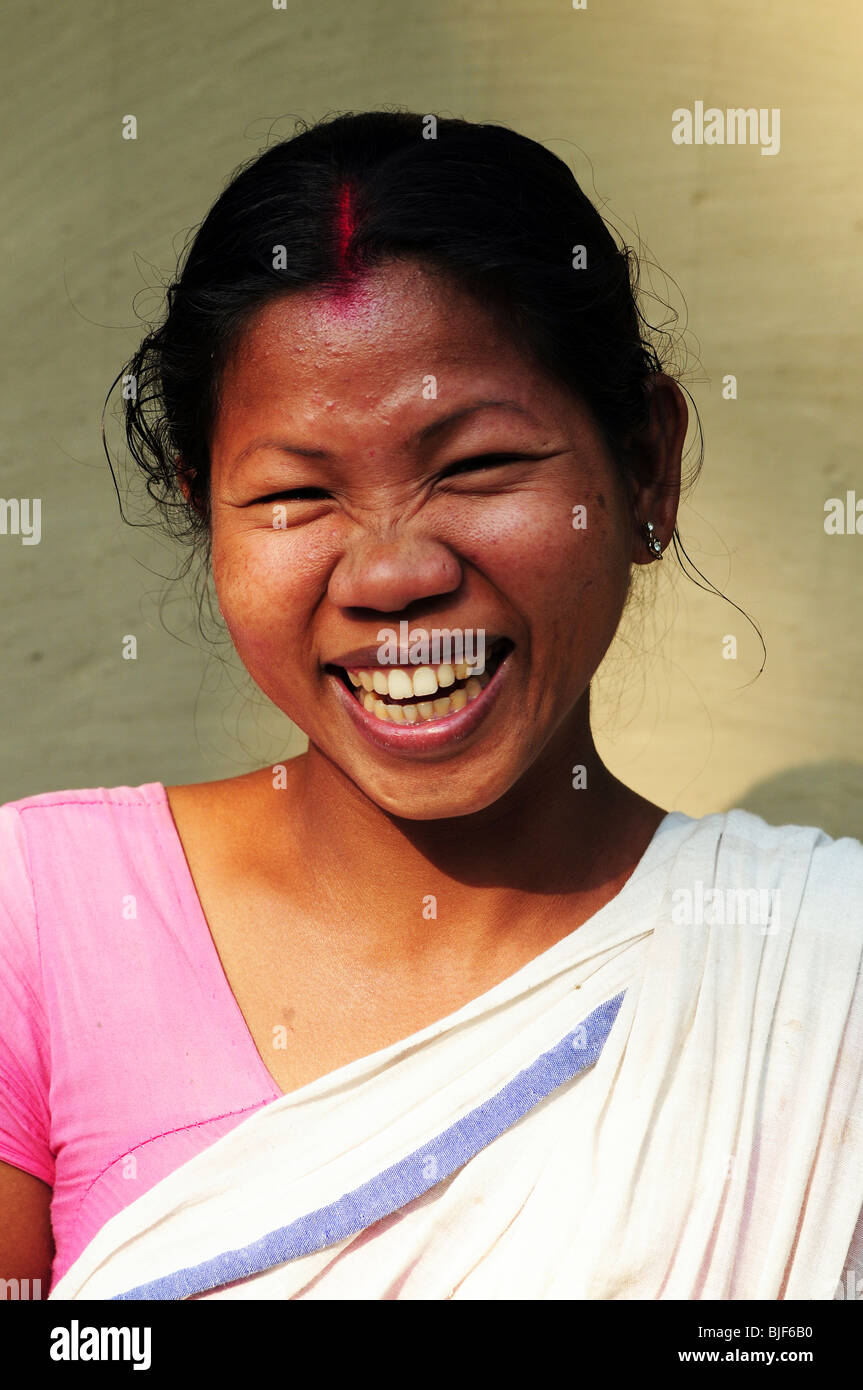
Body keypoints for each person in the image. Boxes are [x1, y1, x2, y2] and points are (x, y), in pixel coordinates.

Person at [1, 111, 861, 1301]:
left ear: (646, 464)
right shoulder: (38, 923)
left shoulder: (821, 978)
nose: (392, 572)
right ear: (208, 517)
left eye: (475, 469)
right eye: (296, 494)